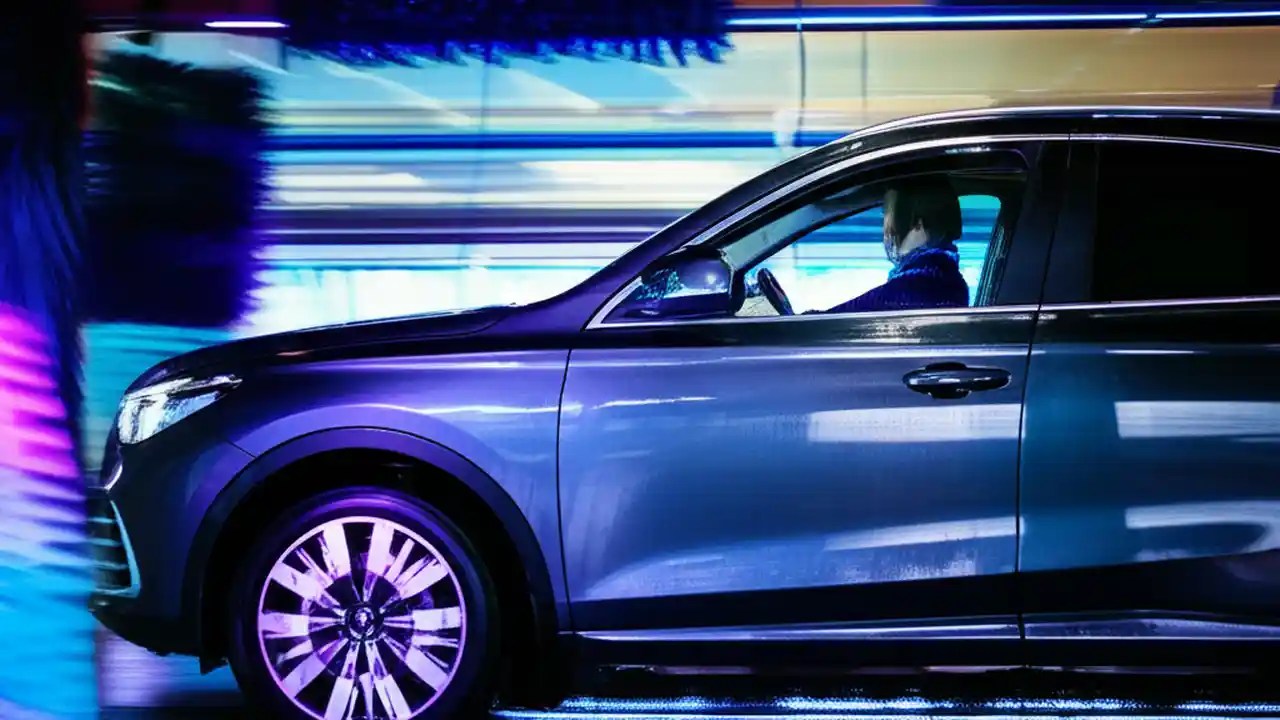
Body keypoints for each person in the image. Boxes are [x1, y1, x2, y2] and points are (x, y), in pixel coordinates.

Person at [822, 175, 970, 314]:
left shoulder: (915, 286)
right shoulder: (949, 281)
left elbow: (829, 323)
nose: (885, 228)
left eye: (886, 213)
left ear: (918, 224)